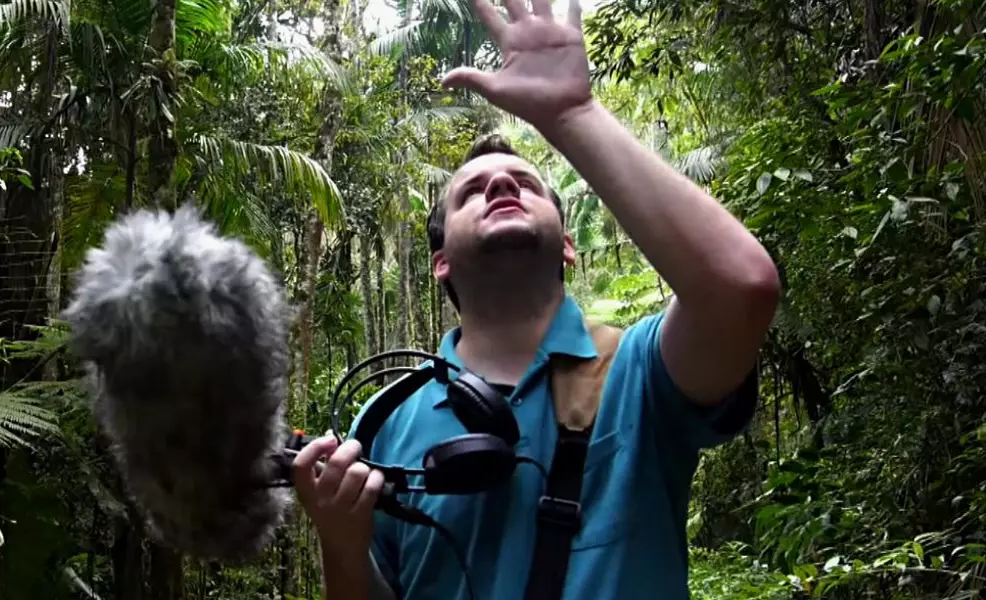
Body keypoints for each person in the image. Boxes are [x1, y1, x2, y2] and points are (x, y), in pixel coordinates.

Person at [291, 0, 781, 597]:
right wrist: (340, 544)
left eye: (525, 184)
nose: (500, 183)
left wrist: (573, 114)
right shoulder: (384, 421)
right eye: (471, 192)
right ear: (441, 261)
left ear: (568, 247)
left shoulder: (641, 369)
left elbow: (743, 287)